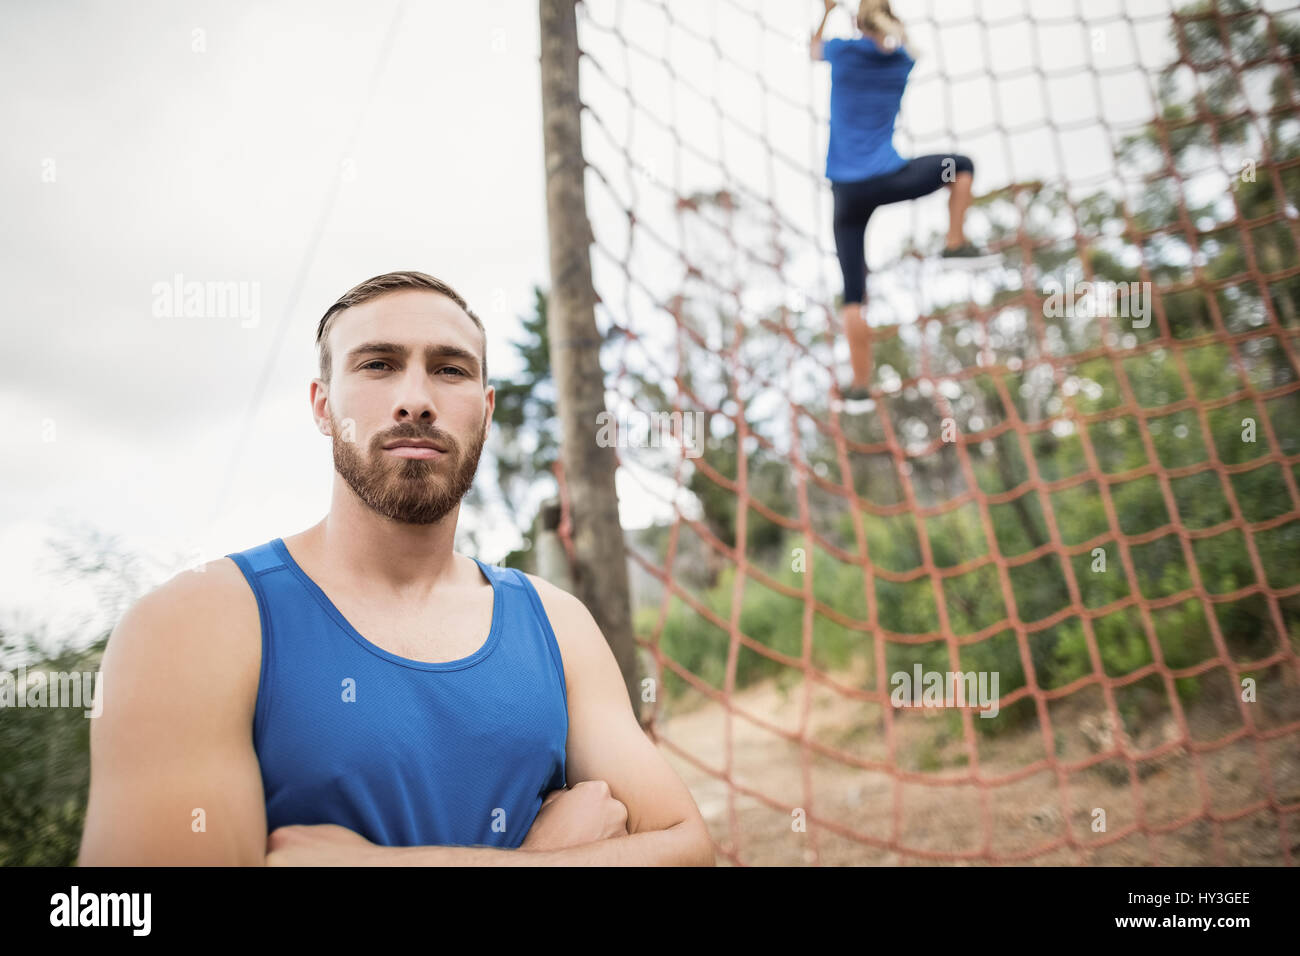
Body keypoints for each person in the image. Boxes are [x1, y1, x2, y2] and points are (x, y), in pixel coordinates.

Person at [78, 270, 714, 866]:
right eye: (378, 364)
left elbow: (688, 848)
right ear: (323, 406)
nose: (416, 400)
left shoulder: (556, 623)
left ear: (487, 411)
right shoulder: (194, 625)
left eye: (450, 370)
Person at [812, 0, 981, 401]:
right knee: (959, 167)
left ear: (858, 22)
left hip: (848, 196)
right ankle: (955, 243)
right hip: (890, 180)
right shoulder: (902, 62)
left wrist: (826, 11)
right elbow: (902, 46)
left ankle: (859, 384)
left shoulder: (842, 52)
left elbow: (814, 49)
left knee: (854, 292)